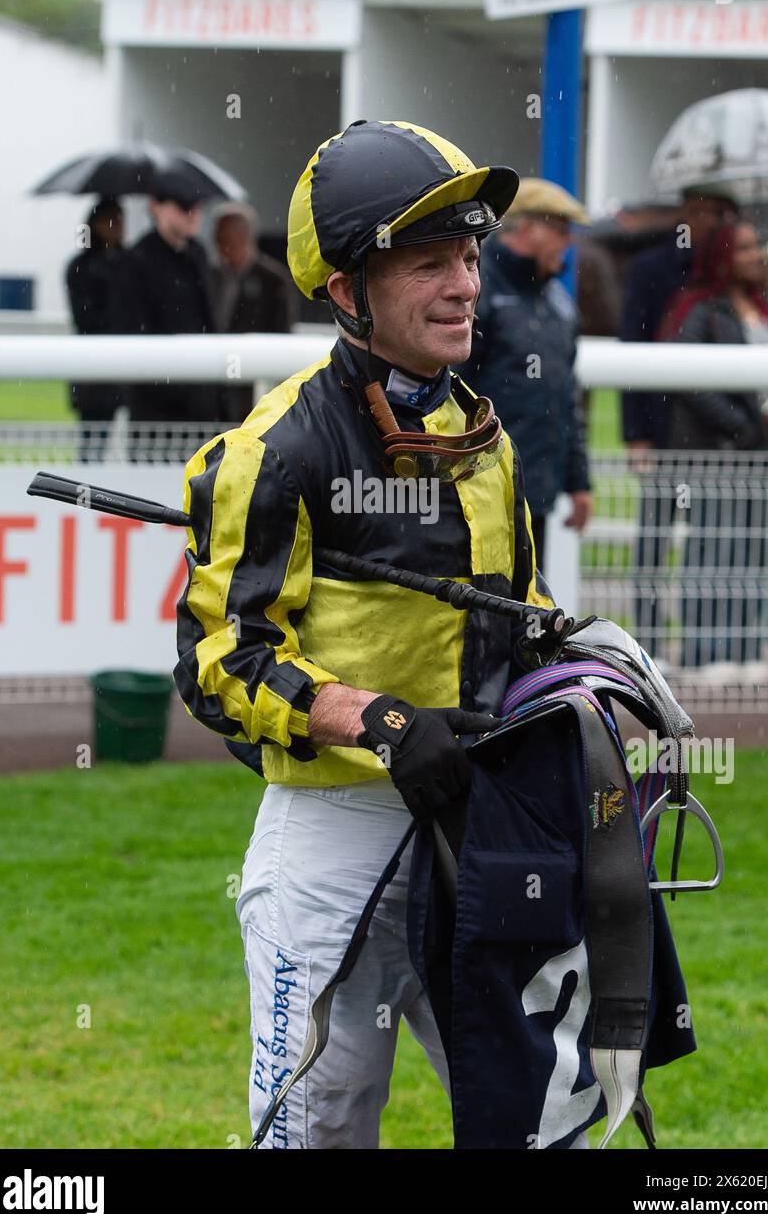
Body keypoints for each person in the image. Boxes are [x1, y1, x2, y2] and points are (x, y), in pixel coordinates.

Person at [173, 119, 577, 1150]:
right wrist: (378, 719)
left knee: (542, 1118)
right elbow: (222, 661)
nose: (465, 285)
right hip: (333, 836)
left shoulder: (480, 432)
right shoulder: (273, 449)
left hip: (479, 823)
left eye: (472, 256)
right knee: (319, 1124)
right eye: (431, 263)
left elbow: (518, 619)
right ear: (346, 288)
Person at [658, 220, 768, 672]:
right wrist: (742, 425)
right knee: (713, 549)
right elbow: (693, 381)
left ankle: (743, 649)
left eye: (758, 247)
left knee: (753, 550)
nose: (757, 256)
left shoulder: (764, 309)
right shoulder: (702, 311)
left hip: (760, 452)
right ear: (724, 257)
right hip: (718, 451)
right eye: (747, 248)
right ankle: (703, 651)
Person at [620, 183, 739, 655]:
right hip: (662, 427)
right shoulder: (653, 267)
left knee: (707, 544)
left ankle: (697, 645)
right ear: (690, 211)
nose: (715, 224)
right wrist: (638, 433)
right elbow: (633, 350)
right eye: (710, 214)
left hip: (708, 433)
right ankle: (645, 643)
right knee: (654, 540)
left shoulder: (726, 274)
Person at [465, 178, 593, 572]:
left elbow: (567, 398)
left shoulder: (559, 304)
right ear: (525, 228)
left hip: (535, 492)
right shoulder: (475, 290)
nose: (568, 242)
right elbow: (453, 388)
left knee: (529, 605)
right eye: (560, 230)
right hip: (477, 491)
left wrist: (578, 481)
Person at [122, 182, 220, 458]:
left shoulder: (198, 253)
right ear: (156, 206)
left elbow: (209, 320)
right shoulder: (138, 259)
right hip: (156, 398)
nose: (193, 214)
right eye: (183, 206)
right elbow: (135, 328)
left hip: (201, 393)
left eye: (197, 207)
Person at [210, 201, 296, 423]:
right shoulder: (211, 276)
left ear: (241, 235)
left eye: (222, 236)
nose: (217, 243)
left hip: (255, 381)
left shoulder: (273, 280)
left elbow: (282, 334)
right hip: (216, 376)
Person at [65, 197, 127, 461]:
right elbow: (87, 317)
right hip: (91, 365)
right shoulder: (83, 267)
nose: (120, 228)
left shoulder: (124, 264)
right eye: (114, 221)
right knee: (91, 438)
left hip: (116, 365)